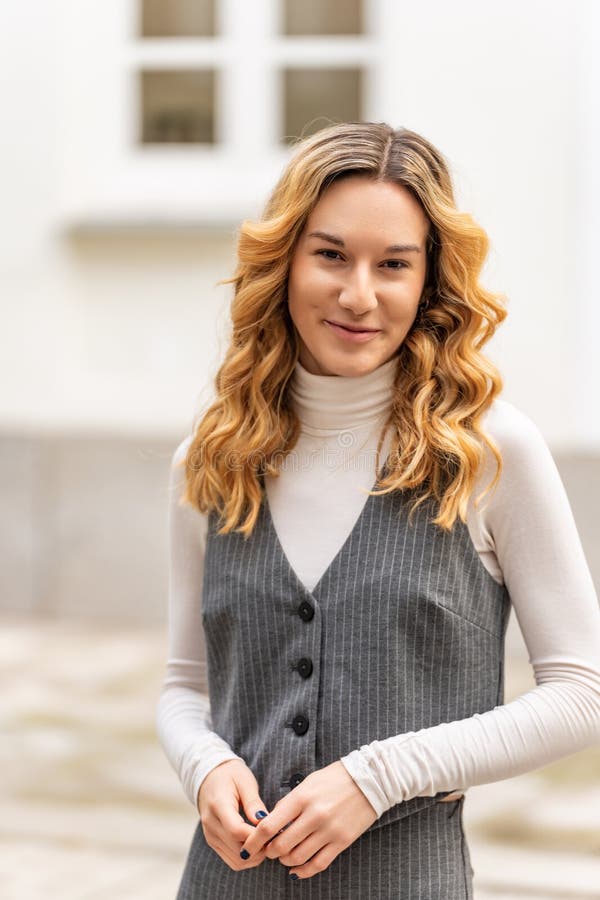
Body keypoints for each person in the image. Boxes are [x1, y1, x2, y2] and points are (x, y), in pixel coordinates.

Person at [156, 121, 600, 899]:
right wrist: (206, 766)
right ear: (284, 261)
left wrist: (379, 776)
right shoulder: (211, 457)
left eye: (392, 264)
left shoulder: (491, 453)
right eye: (330, 255)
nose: (358, 294)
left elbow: (583, 692)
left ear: (429, 280)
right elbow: (186, 685)